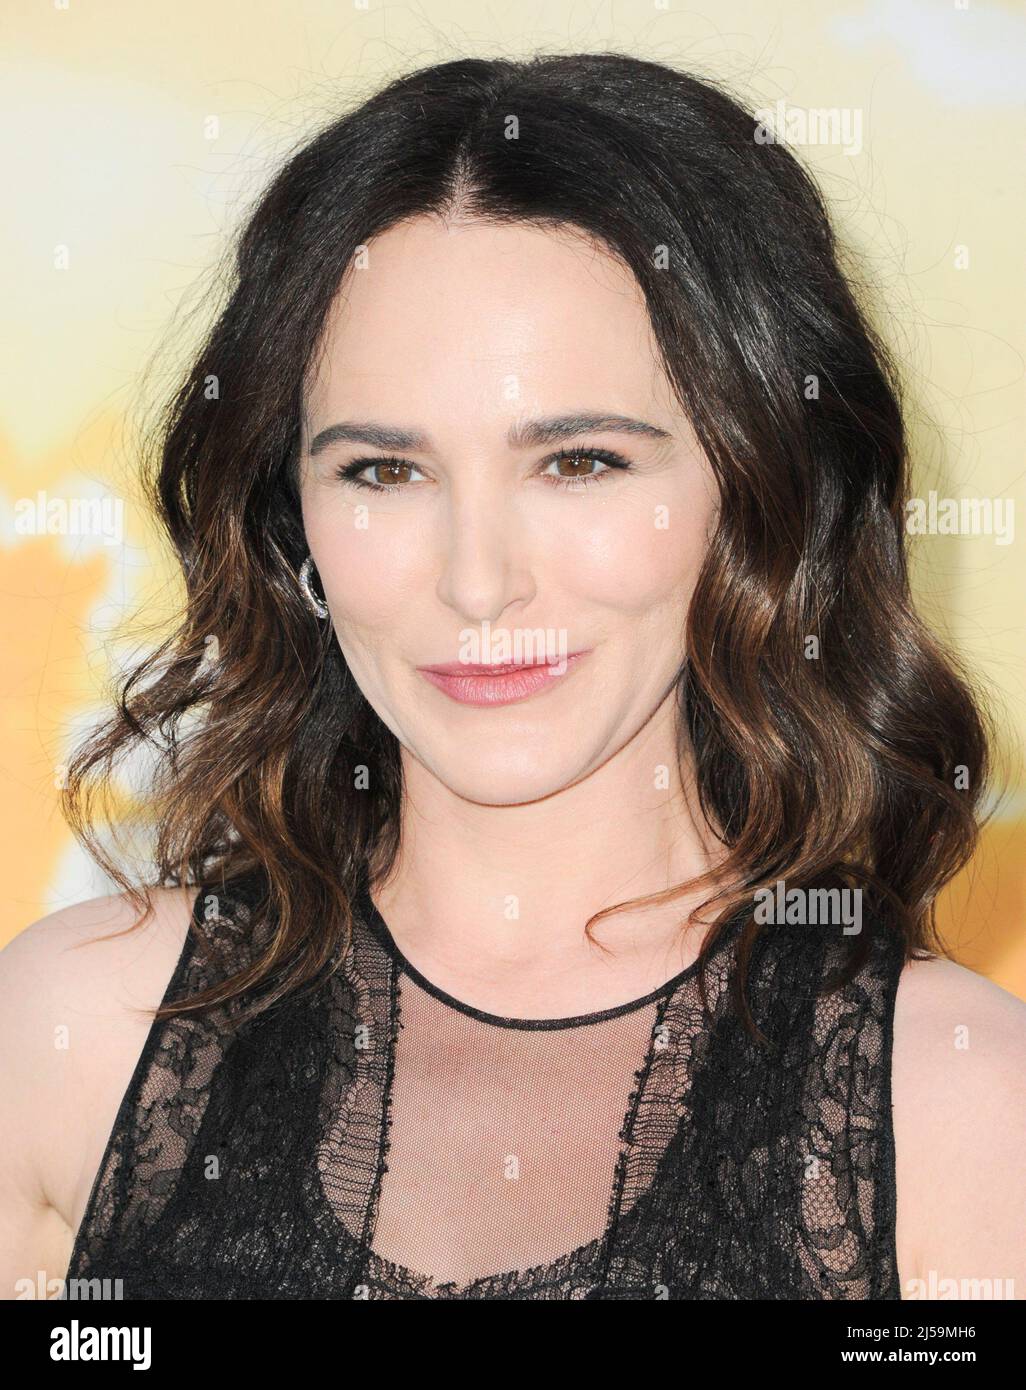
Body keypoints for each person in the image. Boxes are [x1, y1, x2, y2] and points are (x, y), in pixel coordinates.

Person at [2, 53, 1024, 1301]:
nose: (478, 582)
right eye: (383, 470)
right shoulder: (75, 1034)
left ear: (759, 494)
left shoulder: (959, 1111)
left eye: (581, 461)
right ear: (292, 526)